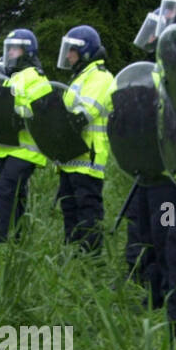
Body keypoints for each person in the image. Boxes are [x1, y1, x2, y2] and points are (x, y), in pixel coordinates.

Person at [53, 25, 114, 253]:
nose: (68, 55)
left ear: (85, 51)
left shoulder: (100, 77)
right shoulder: (81, 77)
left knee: (88, 209)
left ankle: (92, 258)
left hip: (88, 155)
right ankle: (72, 254)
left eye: (72, 50)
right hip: (70, 156)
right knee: (69, 208)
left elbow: (82, 115)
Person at [0, 30, 48, 243]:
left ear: (27, 51)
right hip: (9, 147)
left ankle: (3, 239)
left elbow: (40, 111)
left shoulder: (36, 77)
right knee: (15, 195)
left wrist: (15, 108)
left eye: (14, 49)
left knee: (6, 191)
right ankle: (16, 237)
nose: (10, 54)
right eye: (9, 49)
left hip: (27, 150)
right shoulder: (12, 78)